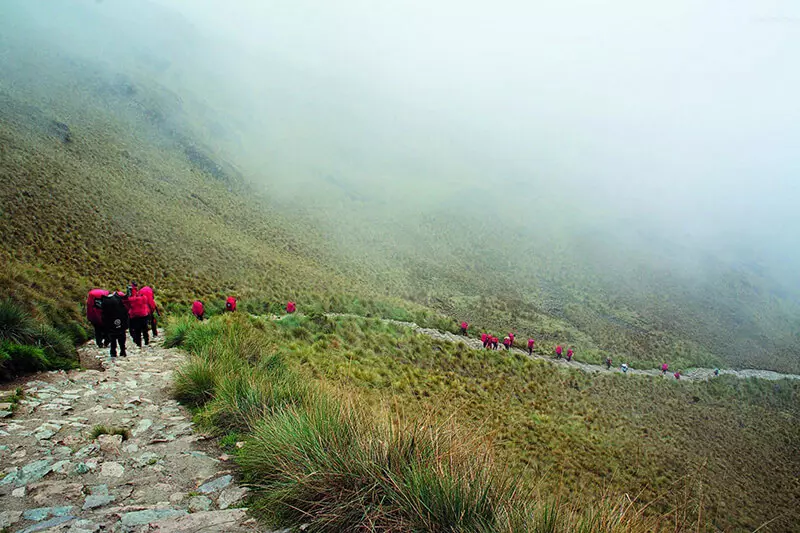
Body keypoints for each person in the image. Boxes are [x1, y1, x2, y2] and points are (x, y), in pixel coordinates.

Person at [96, 291, 129, 358]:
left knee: (113, 338)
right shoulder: (118, 299)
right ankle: (123, 351)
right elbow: (125, 311)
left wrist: (105, 324)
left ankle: (113, 352)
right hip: (120, 321)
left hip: (111, 323)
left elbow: (103, 315)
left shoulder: (105, 302)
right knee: (122, 337)